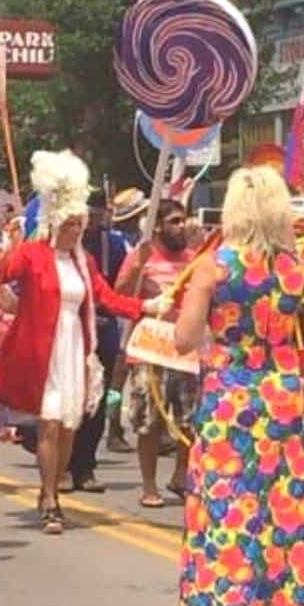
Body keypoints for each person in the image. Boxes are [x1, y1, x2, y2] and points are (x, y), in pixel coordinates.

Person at [172, 166, 304, 606]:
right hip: (282, 395)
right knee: (282, 513)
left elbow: (186, 338)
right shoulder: (297, 267)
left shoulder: (216, 265)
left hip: (231, 398)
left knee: (224, 514)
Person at [0, 150, 167, 534]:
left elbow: (107, 298)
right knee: (50, 424)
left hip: (75, 349)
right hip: (44, 349)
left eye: (79, 224)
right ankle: (49, 497)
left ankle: (54, 486)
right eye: (70, 224)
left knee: (69, 425)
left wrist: (147, 306)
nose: (76, 230)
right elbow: (3, 270)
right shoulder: (34, 255)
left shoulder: (85, 261)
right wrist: (3, 247)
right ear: (56, 223)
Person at [116, 198, 197, 508]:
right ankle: (149, 485)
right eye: (174, 221)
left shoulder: (194, 258)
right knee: (149, 422)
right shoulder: (143, 256)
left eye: (183, 220)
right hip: (150, 350)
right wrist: (136, 266)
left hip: (185, 350)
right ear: (159, 225)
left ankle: (180, 474)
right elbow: (121, 294)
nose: (181, 227)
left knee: (188, 419)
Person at [69, 189, 134, 482]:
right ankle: (64, 465)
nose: (94, 219)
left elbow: (122, 285)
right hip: (71, 328)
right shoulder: (65, 241)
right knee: (72, 398)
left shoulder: (116, 243)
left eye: (99, 213)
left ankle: (86, 465)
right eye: (90, 213)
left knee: (98, 396)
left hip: (104, 328)